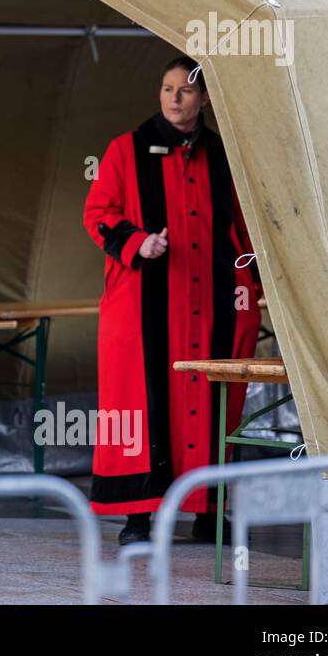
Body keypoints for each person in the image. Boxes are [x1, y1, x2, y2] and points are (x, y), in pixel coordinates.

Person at [82, 55, 262, 545]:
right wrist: (140, 242)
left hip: (215, 305)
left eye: (185, 90)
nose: (174, 99)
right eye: (166, 89)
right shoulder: (126, 150)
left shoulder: (225, 155)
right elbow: (98, 213)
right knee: (139, 407)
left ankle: (208, 512)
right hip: (143, 308)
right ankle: (137, 517)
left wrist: (256, 287)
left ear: (204, 98)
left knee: (216, 404)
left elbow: (250, 229)